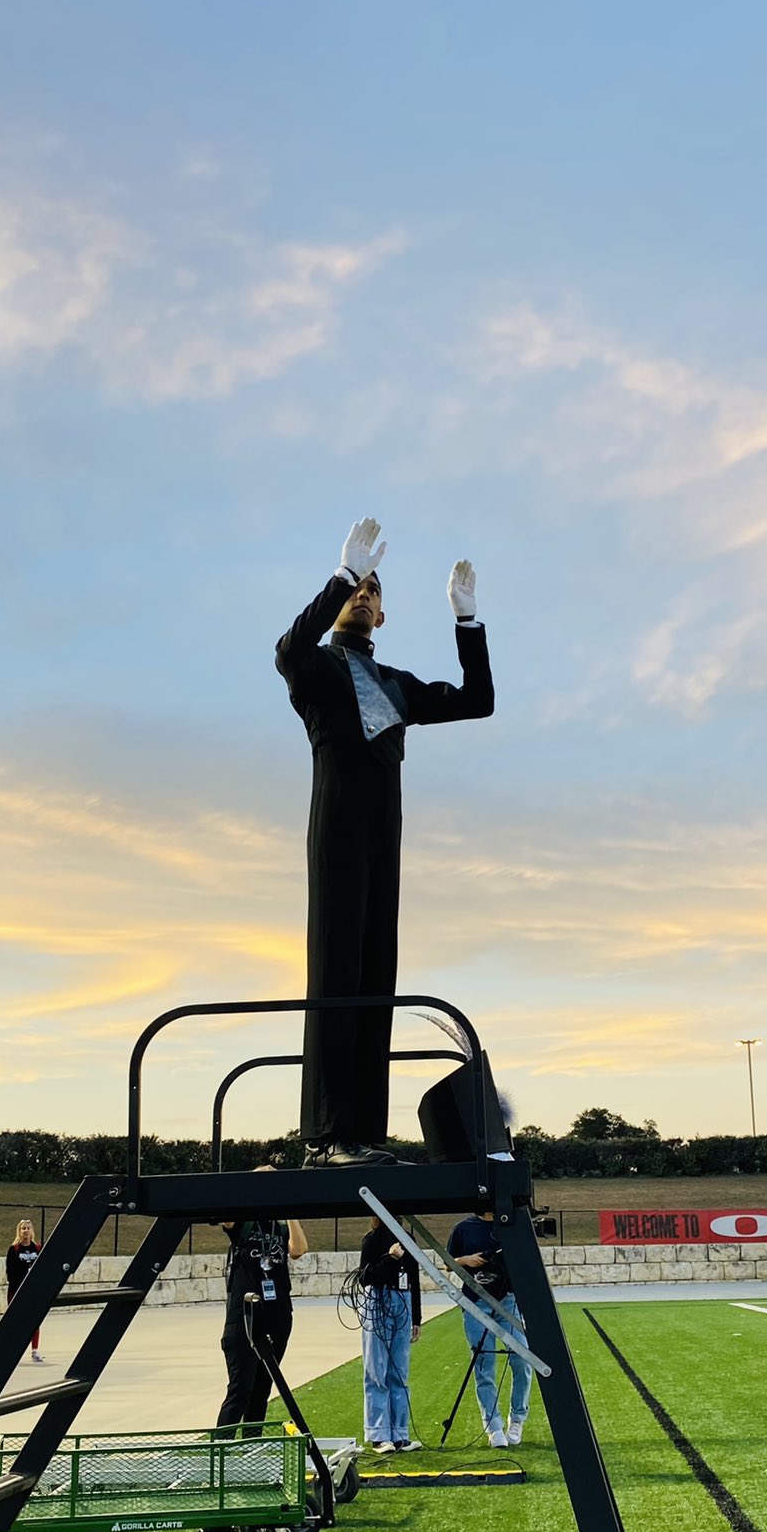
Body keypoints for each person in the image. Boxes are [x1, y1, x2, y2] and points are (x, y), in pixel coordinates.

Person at [276, 518, 494, 1167]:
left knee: (377, 971)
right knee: (337, 967)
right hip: (338, 825)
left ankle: (364, 1131)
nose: (365, 595)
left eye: (373, 590)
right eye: (357, 589)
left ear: (385, 613)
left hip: (384, 833)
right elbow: (288, 648)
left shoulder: (396, 683)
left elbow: (478, 700)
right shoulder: (316, 668)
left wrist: (468, 622)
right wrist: (340, 574)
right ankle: (327, 1133)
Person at [216, 1208, 307, 1433]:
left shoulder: (282, 1225)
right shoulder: (243, 1223)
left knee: (262, 1386)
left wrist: (289, 1211)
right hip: (244, 1314)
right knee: (241, 1386)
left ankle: (251, 1448)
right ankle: (220, 1448)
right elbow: (225, 1216)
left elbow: (298, 1250)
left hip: (277, 1313)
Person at [447, 1209, 532, 1449]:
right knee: (484, 1364)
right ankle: (493, 1426)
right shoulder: (463, 1228)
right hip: (476, 1302)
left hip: (507, 1300)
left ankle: (517, 1418)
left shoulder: (508, 1224)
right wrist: (467, 1260)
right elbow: (446, 1263)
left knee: (522, 1359)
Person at [356, 1216, 422, 1454]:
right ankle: (378, 1434)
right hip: (378, 1299)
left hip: (403, 1300)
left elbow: (413, 1278)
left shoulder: (408, 1238)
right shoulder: (372, 1240)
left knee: (399, 1371)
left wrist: (417, 1319)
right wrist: (390, 1259)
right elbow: (365, 1277)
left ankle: (399, 1433)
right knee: (376, 1369)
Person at [5, 1218, 45, 1363]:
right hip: (16, 1289)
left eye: (28, 1228)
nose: (26, 1231)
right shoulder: (14, 1249)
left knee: (34, 1321)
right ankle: (11, 1349)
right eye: (23, 1228)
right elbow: (10, 1271)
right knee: (15, 1320)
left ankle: (34, 1350)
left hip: (33, 1291)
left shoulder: (38, 1249)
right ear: (19, 1231)